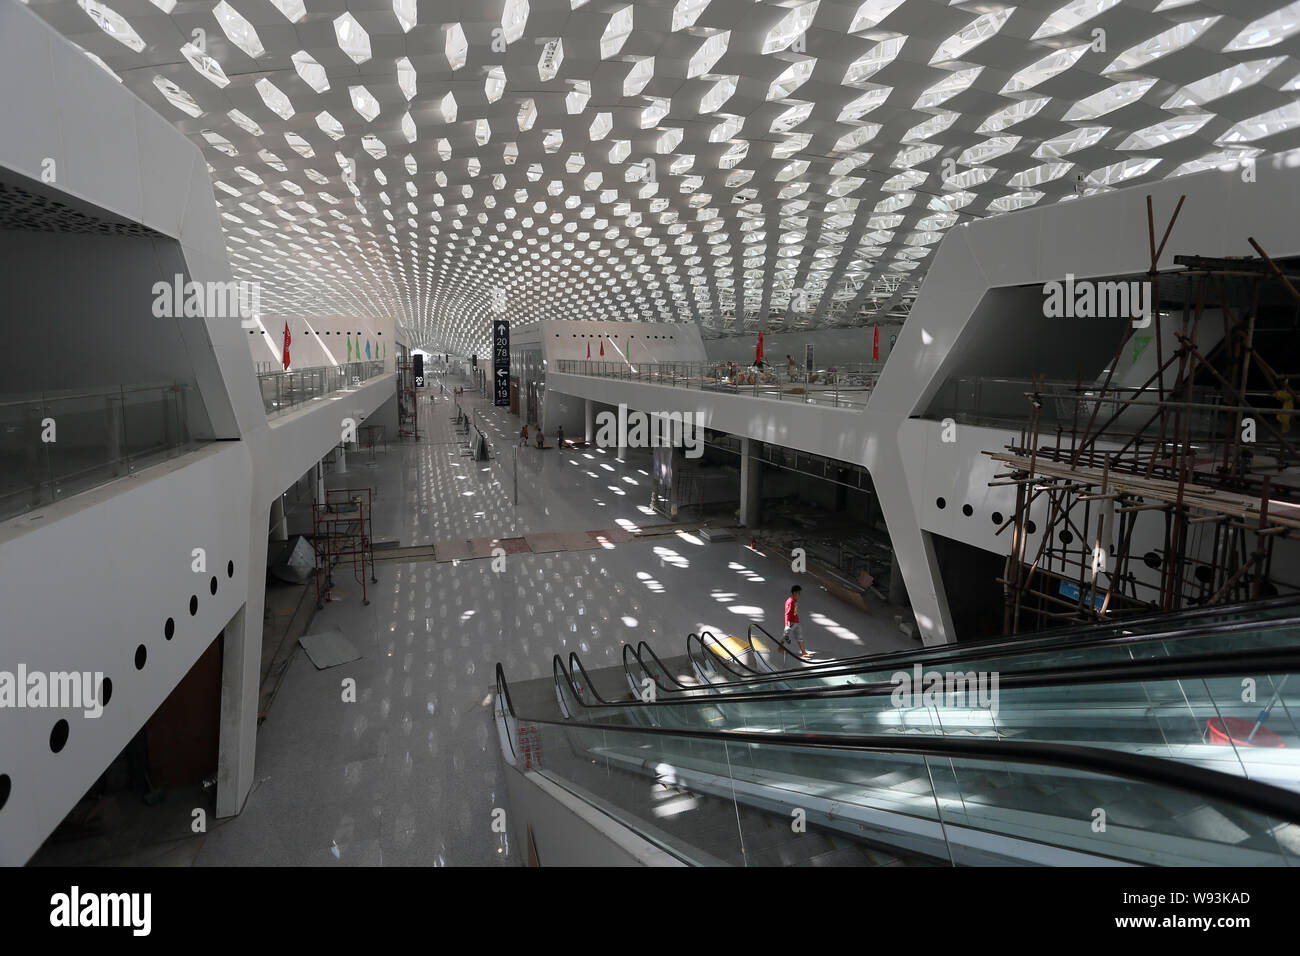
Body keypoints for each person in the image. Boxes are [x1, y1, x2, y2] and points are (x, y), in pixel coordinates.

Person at [783, 584, 810, 658]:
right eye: (798, 593)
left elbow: (794, 611)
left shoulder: (794, 600)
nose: (799, 594)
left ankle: (803, 652)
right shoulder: (790, 602)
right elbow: (787, 614)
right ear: (795, 592)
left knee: (799, 636)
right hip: (791, 622)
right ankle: (780, 647)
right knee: (786, 636)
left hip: (796, 621)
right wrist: (787, 624)